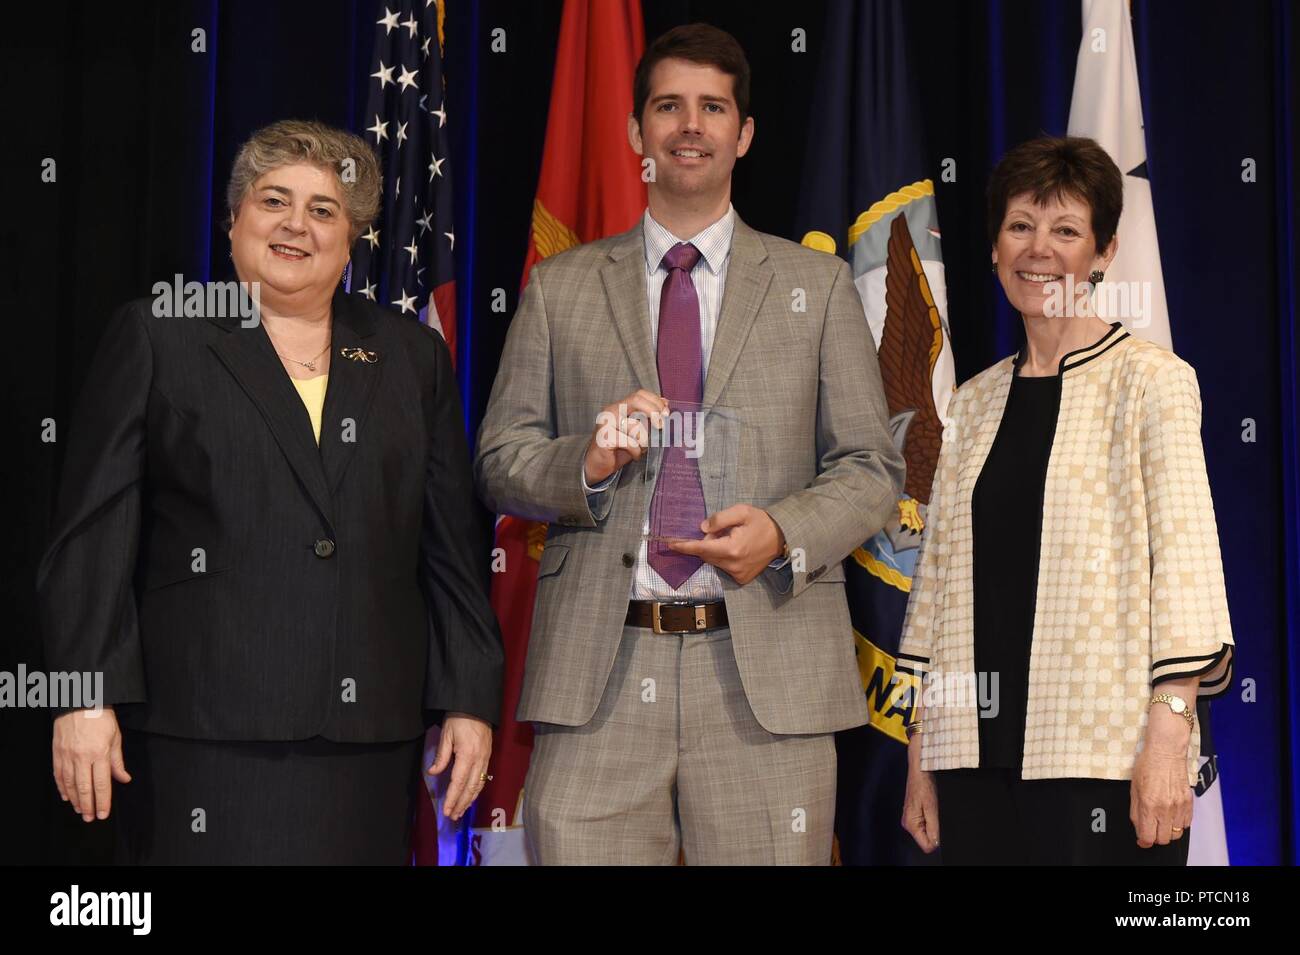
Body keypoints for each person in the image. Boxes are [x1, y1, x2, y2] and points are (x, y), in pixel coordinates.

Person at [475, 24, 904, 865]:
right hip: (598, 678)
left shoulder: (813, 286)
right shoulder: (561, 287)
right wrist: (586, 464)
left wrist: (782, 531)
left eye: (713, 108)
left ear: (743, 134)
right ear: (637, 133)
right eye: (668, 107)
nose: (690, 126)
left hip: (765, 682)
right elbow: (498, 457)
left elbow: (872, 464)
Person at [37, 119, 503, 864]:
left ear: (352, 238)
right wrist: (83, 693)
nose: (296, 224)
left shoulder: (410, 355)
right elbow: (92, 536)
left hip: (366, 742)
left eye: (323, 209)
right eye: (273, 200)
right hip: (204, 734)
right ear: (233, 224)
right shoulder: (161, 334)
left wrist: (468, 700)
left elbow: (451, 547)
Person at [897, 135, 1234, 865]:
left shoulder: (1152, 381)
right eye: (1020, 225)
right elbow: (936, 589)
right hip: (974, 761)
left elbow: (1186, 566)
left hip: (1106, 763)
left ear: (1104, 252)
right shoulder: (974, 401)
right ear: (993, 248)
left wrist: (1170, 734)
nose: (1038, 249)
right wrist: (922, 748)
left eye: (1066, 230)